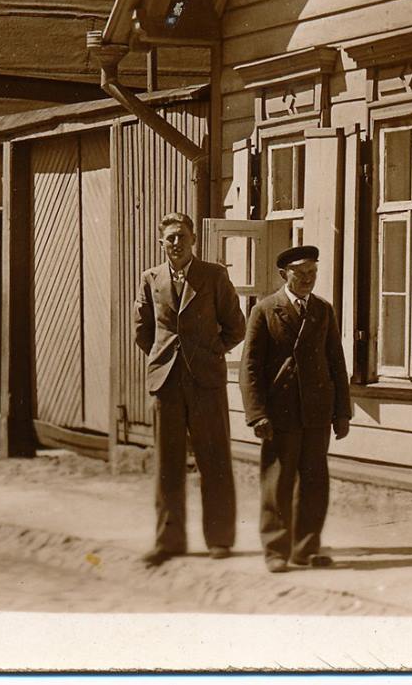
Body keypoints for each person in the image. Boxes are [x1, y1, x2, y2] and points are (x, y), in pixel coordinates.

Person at [133, 211, 245, 566]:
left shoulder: (213, 276)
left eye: (182, 236)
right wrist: (164, 357)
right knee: (168, 464)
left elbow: (235, 327)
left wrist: (209, 353)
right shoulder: (151, 279)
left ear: (194, 238)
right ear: (161, 242)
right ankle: (169, 540)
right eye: (169, 238)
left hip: (206, 383)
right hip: (166, 383)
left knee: (214, 461)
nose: (176, 243)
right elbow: (142, 330)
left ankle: (220, 539)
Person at [242, 244, 353, 573]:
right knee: (278, 483)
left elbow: (336, 361)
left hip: (317, 411)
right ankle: (276, 549)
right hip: (281, 413)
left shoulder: (323, 310)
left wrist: (342, 412)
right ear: (283, 274)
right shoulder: (265, 310)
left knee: (314, 482)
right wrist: (257, 413)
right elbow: (250, 367)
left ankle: (306, 548)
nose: (308, 279)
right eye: (300, 273)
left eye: (313, 273)